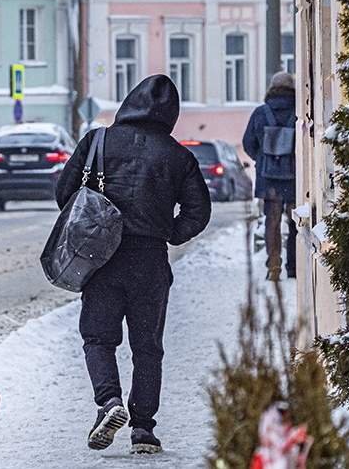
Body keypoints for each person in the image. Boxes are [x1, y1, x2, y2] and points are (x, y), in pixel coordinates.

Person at [55, 75, 211, 454]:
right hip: (150, 261)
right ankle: (143, 430)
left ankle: (109, 403)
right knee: (147, 347)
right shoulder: (178, 155)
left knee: (98, 337)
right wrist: (171, 232)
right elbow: (199, 211)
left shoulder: (98, 141)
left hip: (101, 258)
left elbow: (64, 193)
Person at [243, 71, 298, 282]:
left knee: (272, 223)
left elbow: (248, 143)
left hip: (269, 179)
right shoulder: (297, 111)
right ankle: (293, 266)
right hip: (294, 178)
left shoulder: (260, 113)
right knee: (296, 223)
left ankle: (274, 266)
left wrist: (264, 157)